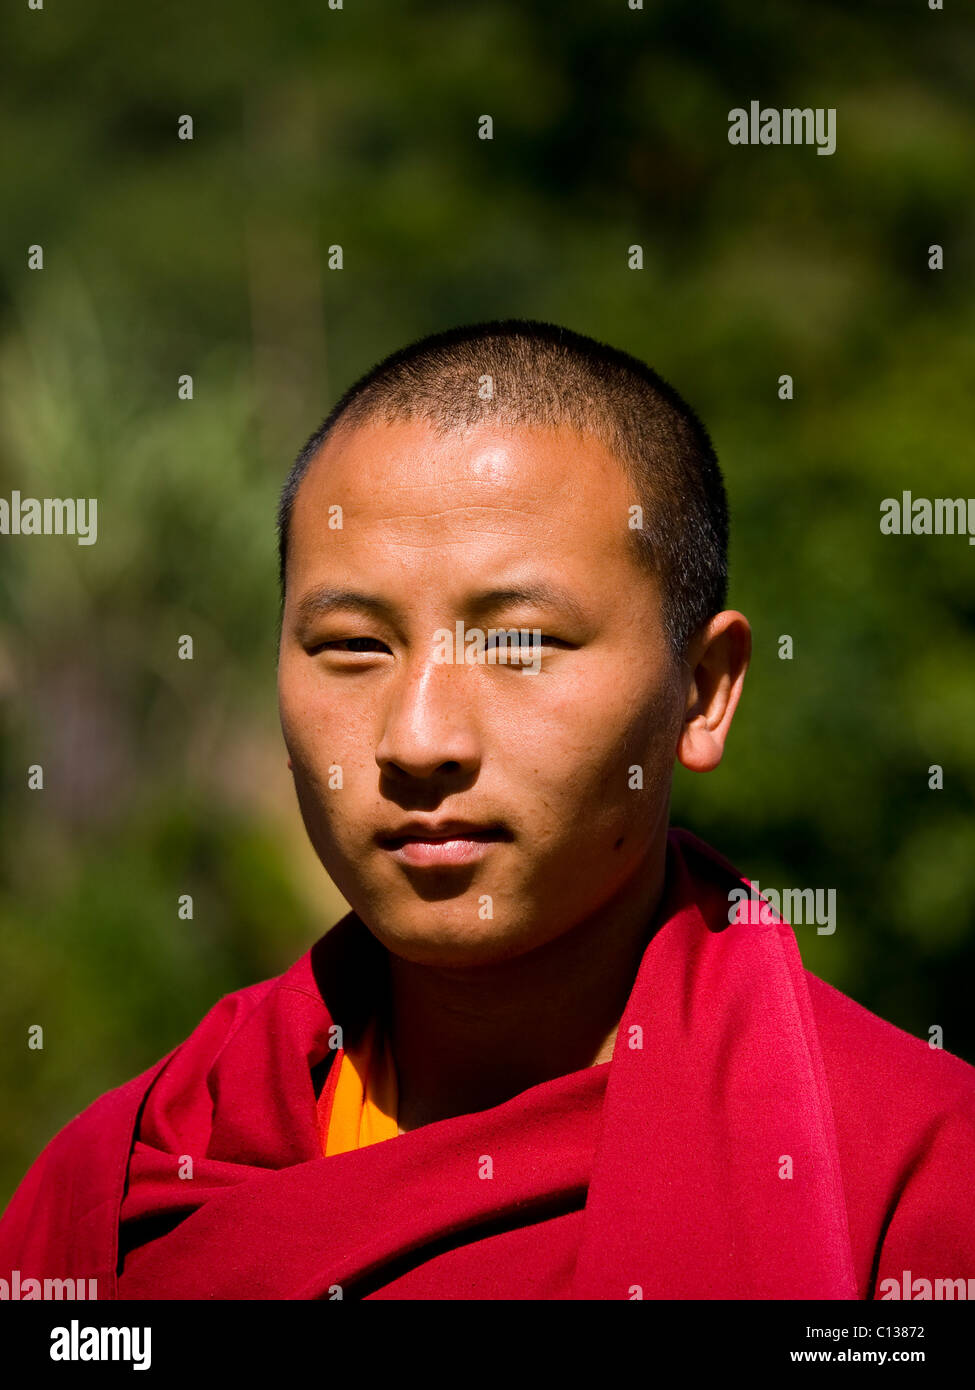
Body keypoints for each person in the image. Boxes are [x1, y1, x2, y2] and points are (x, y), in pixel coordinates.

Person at [2, 319, 973, 1301]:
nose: (417, 740)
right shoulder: (125, 1188)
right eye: (352, 645)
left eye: (520, 643)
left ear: (704, 688)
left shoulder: (915, 1177)